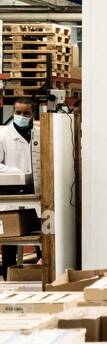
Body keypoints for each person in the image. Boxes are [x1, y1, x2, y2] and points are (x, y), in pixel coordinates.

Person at [0, 98, 37, 277]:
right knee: (10, 241)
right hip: (11, 193)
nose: (22, 116)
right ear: (13, 113)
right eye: (18, 112)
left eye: (26, 113)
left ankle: (40, 275)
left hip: (35, 191)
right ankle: (8, 278)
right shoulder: (3, 135)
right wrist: (16, 172)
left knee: (40, 235)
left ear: (33, 114)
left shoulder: (38, 134)